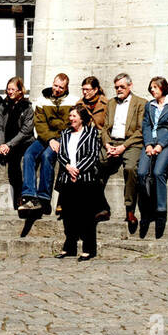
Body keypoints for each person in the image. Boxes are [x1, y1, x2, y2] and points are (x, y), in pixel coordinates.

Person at [135, 76, 168, 239]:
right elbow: (146, 125)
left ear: (163, 88)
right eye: (151, 88)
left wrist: (160, 145)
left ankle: (161, 211)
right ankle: (146, 211)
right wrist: (148, 144)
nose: (152, 90)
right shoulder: (150, 105)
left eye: (155, 87)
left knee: (157, 172)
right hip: (150, 143)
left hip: (167, 144)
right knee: (141, 173)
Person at [54, 106, 103, 261]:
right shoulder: (65, 133)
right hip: (68, 178)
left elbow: (93, 154)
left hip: (85, 178)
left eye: (74, 116)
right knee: (68, 215)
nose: (71, 119)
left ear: (82, 118)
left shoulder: (91, 133)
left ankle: (89, 248)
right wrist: (68, 168)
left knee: (86, 215)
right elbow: (61, 154)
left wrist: (78, 169)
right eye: (70, 116)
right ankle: (70, 246)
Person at [101, 73, 148, 233]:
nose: (119, 90)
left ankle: (130, 210)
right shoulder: (111, 103)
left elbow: (141, 130)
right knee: (94, 164)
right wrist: (107, 145)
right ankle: (100, 206)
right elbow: (105, 128)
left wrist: (123, 147)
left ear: (130, 86)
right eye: (116, 87)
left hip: (131, 143)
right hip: (112, 142)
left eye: (122, 86)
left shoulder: (141, 103)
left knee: (130, 169)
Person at [20, 73, 71, 215]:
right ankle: (29, 194)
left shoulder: (72, 101)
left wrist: (57, 139)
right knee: (29, 154)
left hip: (61, 137)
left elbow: (69, 124)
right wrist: (50, 139)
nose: (57, 89)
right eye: (55, 85)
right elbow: (40, 123)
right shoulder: (43, 101)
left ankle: (44, 197)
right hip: (45, 137)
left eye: (61, 87)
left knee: (48, 156)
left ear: (66, 88)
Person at [0, 76, 34, 208]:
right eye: (8, 89)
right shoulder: (3, 106)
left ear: (20, 91)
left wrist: (9, 145)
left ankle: (19, 197)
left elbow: (25, 131)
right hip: (4, 142)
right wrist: (0, 144)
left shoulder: (27, 107)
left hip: (21, 142)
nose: (10, 92)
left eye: (13, 89)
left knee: (14, 162)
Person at [72, 76, 108, 220]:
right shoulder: (79, 104)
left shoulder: (106, 104)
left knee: (96, 164)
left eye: (87, 90)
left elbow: (108, 126)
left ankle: (99, 206)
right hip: (84, 140)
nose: (85, 92)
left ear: (96, 90)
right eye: (83, 89)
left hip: (100, 140)